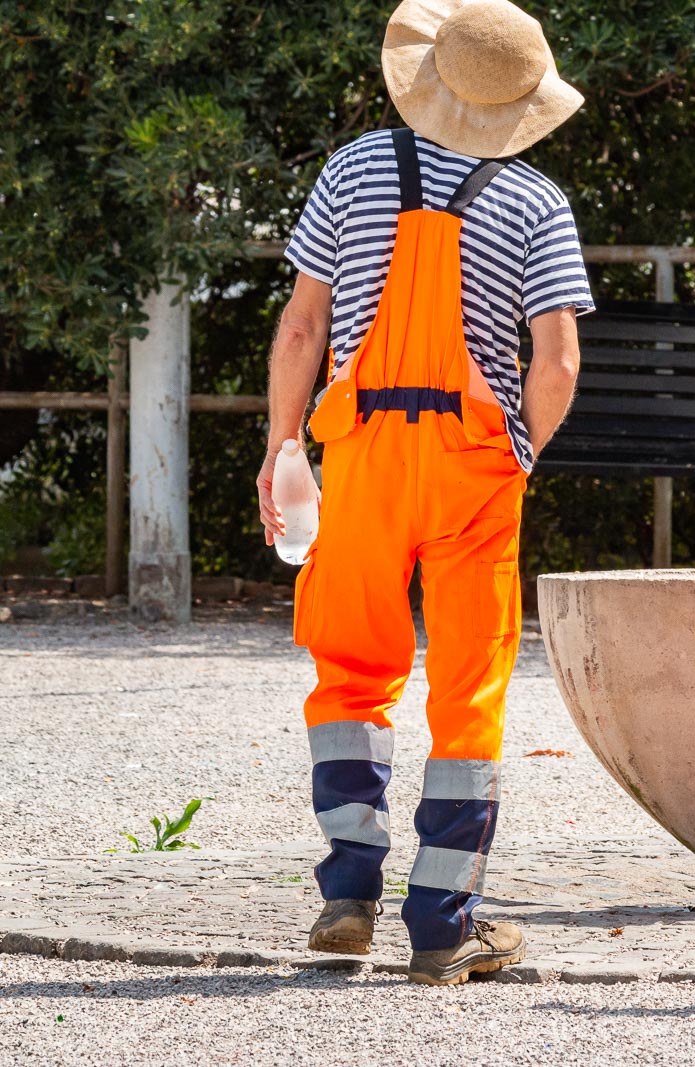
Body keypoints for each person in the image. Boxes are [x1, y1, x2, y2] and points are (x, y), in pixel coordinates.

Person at [255, 0, 589, 985]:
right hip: (471, 463)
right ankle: (443, 924)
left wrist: (283, 445)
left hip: (359, 453)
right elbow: (558, 358)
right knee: (468, 688)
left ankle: (349, 888)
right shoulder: (535, 202)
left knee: (350, 669)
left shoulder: (354, 169)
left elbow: (301, 325)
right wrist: (521, 450)